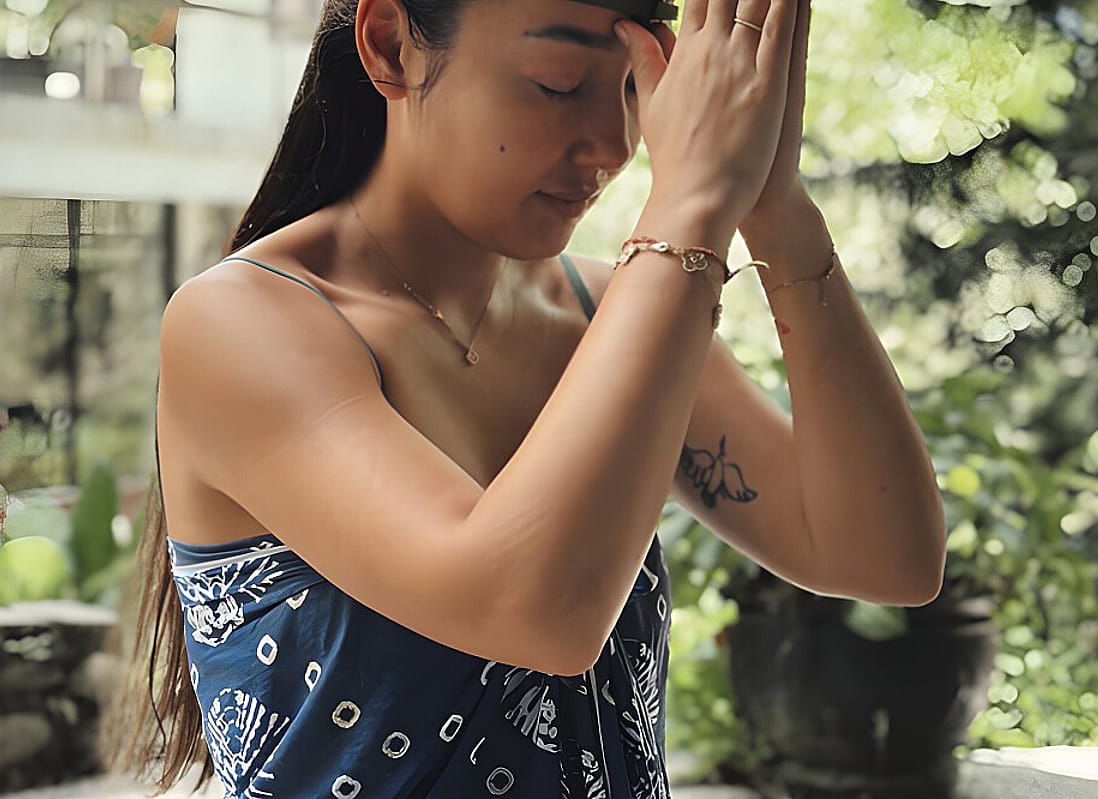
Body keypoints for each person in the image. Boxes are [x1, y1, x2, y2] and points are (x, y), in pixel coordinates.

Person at [109, 0, 947, 795]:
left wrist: (776, 204)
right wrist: (691, 205)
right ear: (392, 46)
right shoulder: (243, 322)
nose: (617, 144)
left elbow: (884, 558)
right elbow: (533, 615)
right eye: (557, 83)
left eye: (635, 88)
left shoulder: (602, 314)